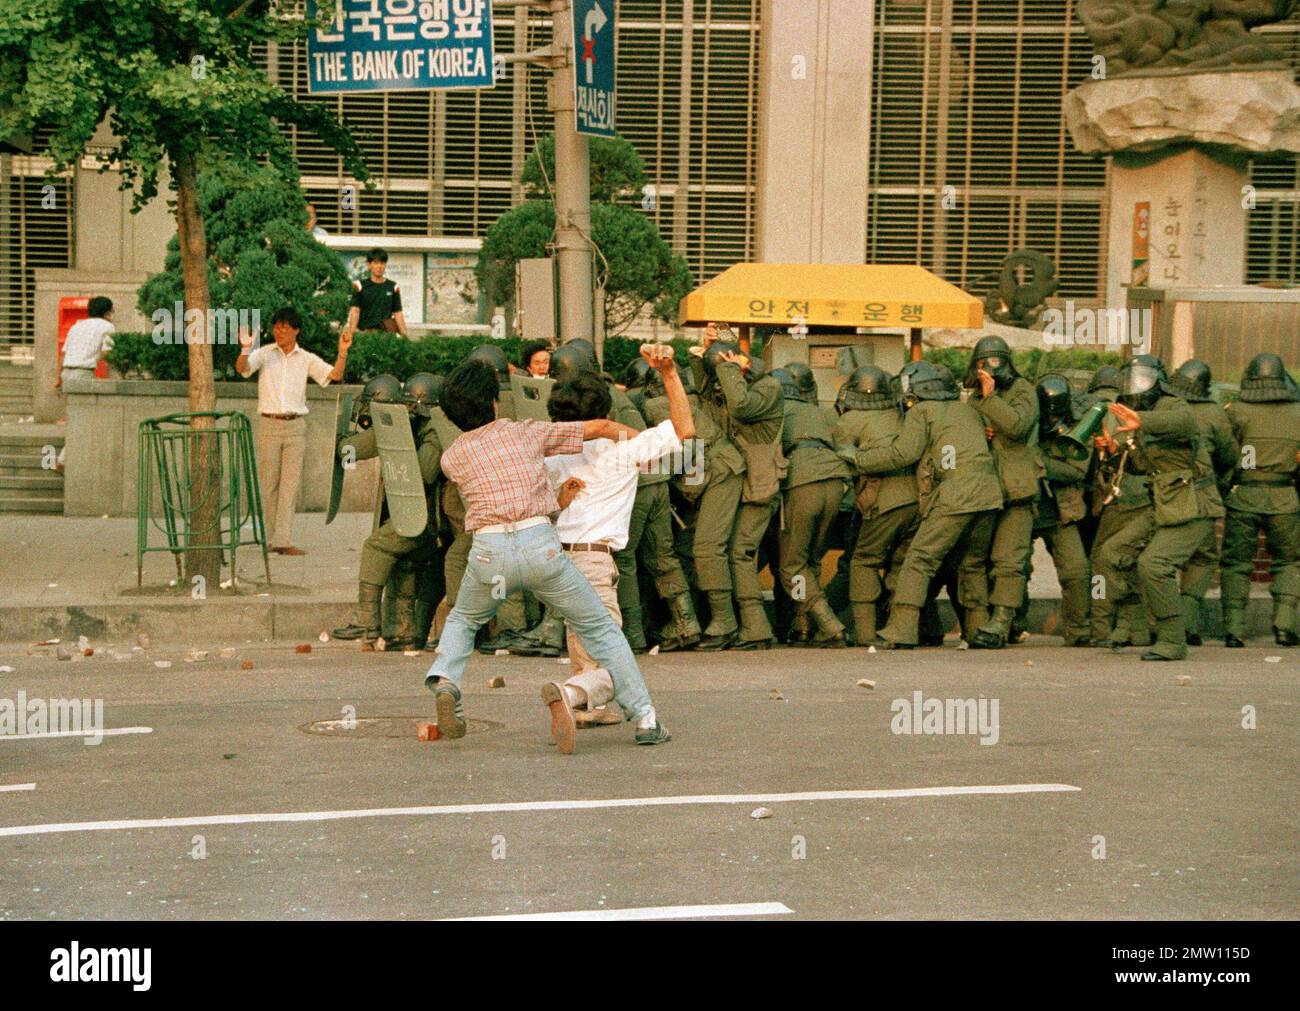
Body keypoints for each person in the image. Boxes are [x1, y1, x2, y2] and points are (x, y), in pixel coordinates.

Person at [422, 356, 670, 751]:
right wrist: (641, 443)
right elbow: (601, 428)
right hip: (542, 548)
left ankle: (446, 680)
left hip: (489, 553)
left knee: (465, 619)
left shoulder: (452, 458)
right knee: (601, 631)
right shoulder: (527, 433)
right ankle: (644, 717)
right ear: (494, 404)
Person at [540, 344, 695, 744]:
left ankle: (590, 708)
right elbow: (683, 431)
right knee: (613, 649)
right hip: (594, 559)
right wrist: (670, 373)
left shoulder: (547, 457)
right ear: (606, 411)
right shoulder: (620, 451)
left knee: (580, 634)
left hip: (556, 559)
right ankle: (573, 694)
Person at [841, 362, 1002, 650]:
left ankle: (902, 630)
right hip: (989, 494)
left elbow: (903, 453)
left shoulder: (923, 412)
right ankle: (978, 629)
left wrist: (858, 458)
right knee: (972, 563)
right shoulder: (969, 411)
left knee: (919, 560)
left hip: (956, 493)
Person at [1100, 355, 1223, 661]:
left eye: (1142, 379)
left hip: (1194, 504)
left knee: (1154, 565)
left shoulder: (1173, 405)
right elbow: (1142, 467)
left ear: (1158, 381)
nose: (1136, 387)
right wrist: (1114, 451)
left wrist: (1142, 423)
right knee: (1111, 554)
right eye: (1130, 380)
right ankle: (1135, 620)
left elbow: (1185, 424)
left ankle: (1171, 640)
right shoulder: (1137, 418)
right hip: (1165, 503)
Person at [235, 307, 350, 555]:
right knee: (268, 484)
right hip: (269, 424)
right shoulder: (265, 354)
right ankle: (270, 538)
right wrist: (245, 348)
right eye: (276, 327)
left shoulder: (306, 358)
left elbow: (334, 375)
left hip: (296, 426)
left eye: (285, 328)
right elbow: (242, 369)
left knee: (290, 485)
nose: (280, 332)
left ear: (296, 330)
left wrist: (342, 352)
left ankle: (283, 540)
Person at [964, 335, 1043, 650]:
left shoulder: (1023, 390)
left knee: (1009, 562)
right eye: (984, 363)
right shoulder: (977, 397)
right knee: (987, 561)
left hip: (1017, 489)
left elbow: (1018, 426)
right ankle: (1012, 622)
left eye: (996, 361)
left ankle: (1000, 622)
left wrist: (991, 400)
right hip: (986, 489)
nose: (990, 369)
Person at [834, 365, 920, 646]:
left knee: (863, 561)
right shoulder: (901, 414)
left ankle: (866, 635)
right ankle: (901, 632)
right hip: (916, 501)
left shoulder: (850, 420)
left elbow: (841, 461)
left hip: (882, 502)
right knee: (902, 565)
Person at [1219, 353, 1300, 647]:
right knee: (1289, 562)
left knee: (1236, 563)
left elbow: (1226, 455)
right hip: (1284, 496)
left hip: (1244, 494)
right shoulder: (1297, 412)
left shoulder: (1235, 410)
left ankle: (1234, 630)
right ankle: (1284, 626)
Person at [772, 364, 852, 646]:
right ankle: (803, 627)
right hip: (834, 481)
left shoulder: (775, 411)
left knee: (791, 566)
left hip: (802, 482)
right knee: (811, 560)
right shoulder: (820, 411)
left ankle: (829, 624)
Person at [1167, 359, 1237, 645]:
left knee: (1157, 559)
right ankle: (1185, 623)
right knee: (1203, 556)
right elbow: (1230, 456)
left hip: (1161, 491)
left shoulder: (1162, 404)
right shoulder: (1213, 412)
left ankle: (1153, 624)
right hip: (1198, 493)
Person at [341, 248, 406, 337]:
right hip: (365, 334)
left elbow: (398, 313)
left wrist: (405, 336)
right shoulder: (360, 286)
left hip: (386, 335)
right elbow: (355, 311)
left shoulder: (393, 287)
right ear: (369, 265)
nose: (379, 266)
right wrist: (351, 334)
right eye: (375, 263)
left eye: (382, 263)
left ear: (385, 265)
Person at [55, 296, 114, 392]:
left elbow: (63, 354)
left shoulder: (76, 326)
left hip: (66, 373)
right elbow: (106, 353)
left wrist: (58, 378)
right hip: (83, 373)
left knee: (71, 406)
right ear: (107, 313)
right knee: (86, 405)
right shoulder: (108, 326)